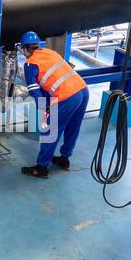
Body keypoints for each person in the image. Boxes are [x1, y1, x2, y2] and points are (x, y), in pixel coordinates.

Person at [17, 31, 89, 179]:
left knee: (49, 131)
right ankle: (64, 158)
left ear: (24, 48)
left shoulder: (30, 64)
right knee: (73, 127)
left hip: (67, 96)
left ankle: (41, 167)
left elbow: (34, 91)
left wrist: (45, 111)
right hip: (82, 89)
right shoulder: (49, 52)